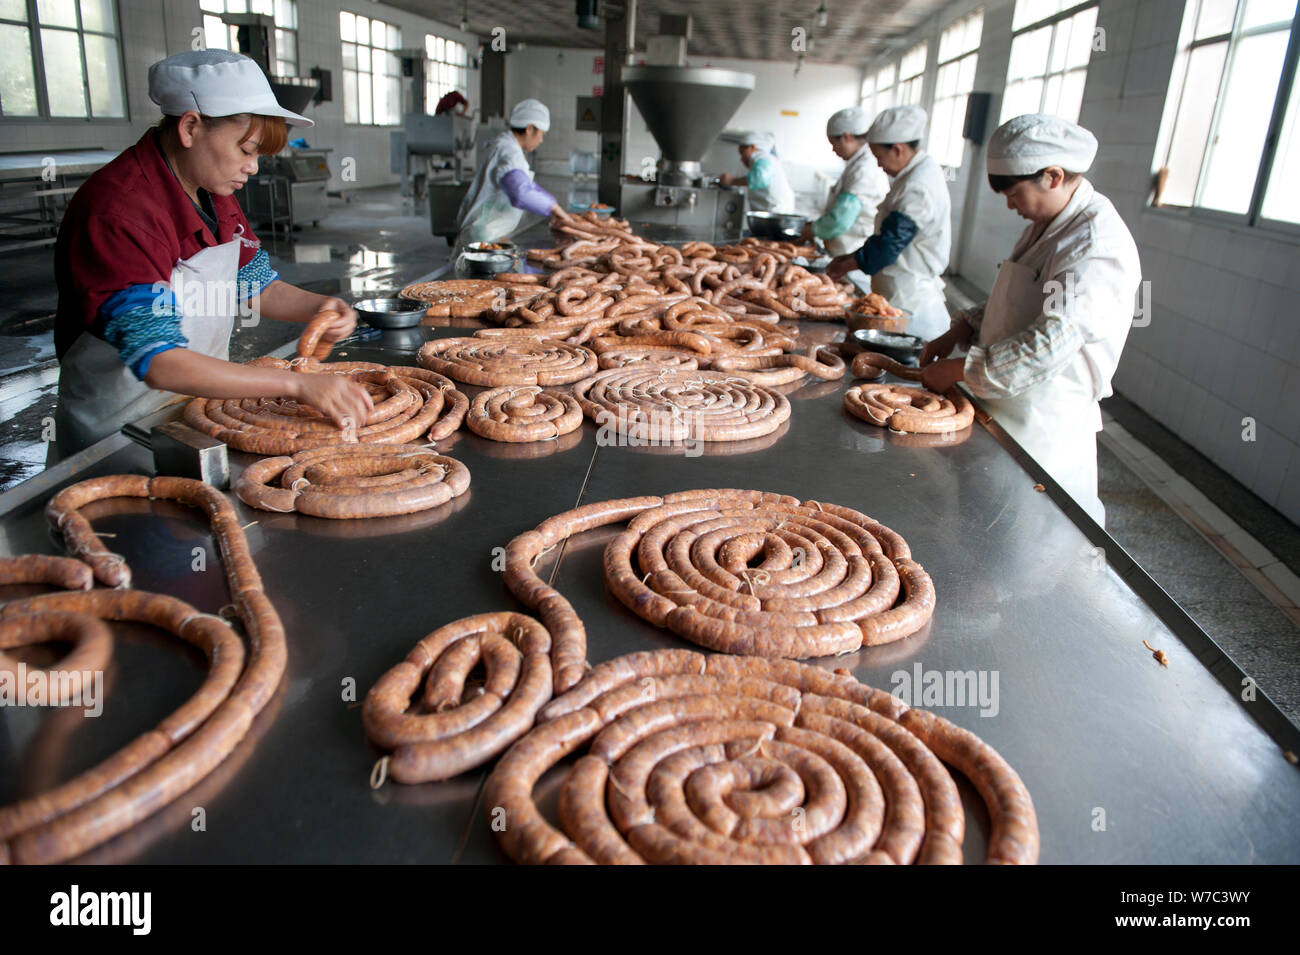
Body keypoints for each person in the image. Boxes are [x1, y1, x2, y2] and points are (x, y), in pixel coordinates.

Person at [51, 50, 369, 459]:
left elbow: (254, 286)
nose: (252, 168)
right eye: (246, 150)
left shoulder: (212, 190)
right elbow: (159, 362)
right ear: (190, 127)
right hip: (120, 432)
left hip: (199, 408)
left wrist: (320, 307)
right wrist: (296, 384)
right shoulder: (118, 212)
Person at [919, 114, 1141, 524]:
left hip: (1041, 425)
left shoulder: (1094, 243)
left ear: (1053, 176)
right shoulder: (1050, 222)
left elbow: (1048, 345)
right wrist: (963, 327)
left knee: (1025, 545)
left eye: (1014, 193)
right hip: (1003, 406)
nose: (1009, 204)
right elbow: (1021, 298)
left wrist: (960, 368)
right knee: (981, 530)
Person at [826, 105, 952, 341]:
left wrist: (844, 265)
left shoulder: (918, 186)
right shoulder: (914, 174)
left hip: (909, 302)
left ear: (897, 149)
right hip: (896, 292)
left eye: (879, 157)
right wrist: (848, 257)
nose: (878, 164)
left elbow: (888, 245)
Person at [454, 99, 569, 254]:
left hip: (489, 233)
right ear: (529, 129)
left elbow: (528, 186)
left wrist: (553, 204)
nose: (541, 140)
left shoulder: (505, 144)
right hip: (483, 236)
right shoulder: (509, 150)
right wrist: (552, 207)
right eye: (541, 134)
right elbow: (520, 191)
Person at [800, 107, 888, 256]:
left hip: (854, 250)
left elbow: (841, 218)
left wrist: (813, 229)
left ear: (847, 137)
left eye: (833, 143)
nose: (833, 150)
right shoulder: (856, 164)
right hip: (844, 249)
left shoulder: (864, 169)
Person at [720, 131, 795, 214]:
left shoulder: (762, 158)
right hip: (773, 211)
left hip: (775, 211)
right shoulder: (766, 159)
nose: (741, 159)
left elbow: (760, 178)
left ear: (752, 147)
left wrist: (732, 181)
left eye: (742, 153)